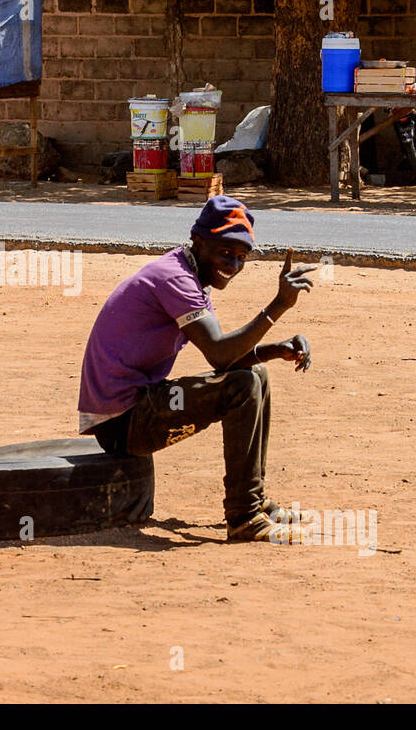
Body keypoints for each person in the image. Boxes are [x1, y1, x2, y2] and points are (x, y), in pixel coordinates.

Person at [78, 195, 318, 543]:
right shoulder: (175, 279)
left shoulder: (187, 272)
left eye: (241, 257)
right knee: (242, 386)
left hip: (135, 409)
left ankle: (255, 501)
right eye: (225, 253)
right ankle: (244, 517)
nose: (233, 265)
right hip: (120, 422)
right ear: (199, 242)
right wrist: (279, 305)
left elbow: (224, 354)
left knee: (256, 376)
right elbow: (220, 356)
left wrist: (273, 350)